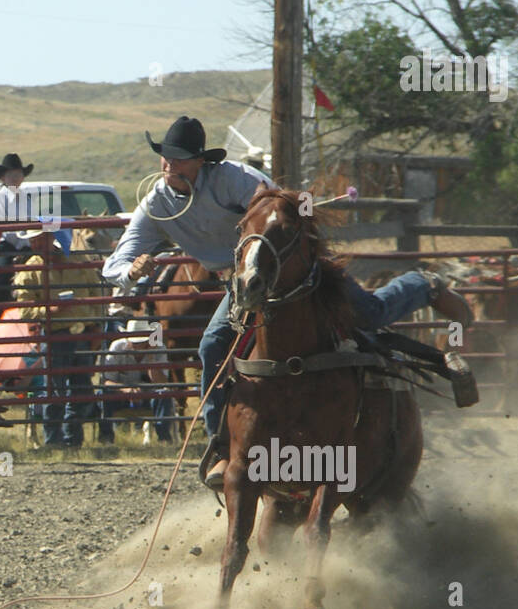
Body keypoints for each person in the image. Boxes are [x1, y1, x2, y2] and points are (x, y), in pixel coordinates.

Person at [101, 116, 476, 490]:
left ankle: (422, 283)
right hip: (241, 282)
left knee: (368, 313)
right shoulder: (155, 205)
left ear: (202, 160)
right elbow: (113, 264)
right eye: (165, 157)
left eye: (179, 157)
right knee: (212, 346)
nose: (170, 165)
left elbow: (281, 207)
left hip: (291, 267)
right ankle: (221, 448)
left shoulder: (232, 178)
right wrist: (131, 272)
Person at [13, 225, 104, 448]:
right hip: (55, 334)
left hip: (82, 332)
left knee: (80, 389)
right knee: (55, 390)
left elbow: (96, 294)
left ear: (50, 237)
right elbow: (24, 310)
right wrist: (49, 311)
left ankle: (71, 439)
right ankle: (54, 440)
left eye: (40, 238)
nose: (36, 244)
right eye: (34, 240)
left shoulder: (76, 261)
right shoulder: (31, 269)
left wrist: (96, 326)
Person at [0, 152, 38, 333]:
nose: (16, 177)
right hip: (4, 246)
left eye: (18, 174)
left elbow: (33, 223)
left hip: (26, 246)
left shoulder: (27, 198)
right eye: (12, 174)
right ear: (3, 177)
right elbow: (0, 228)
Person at [97, 320, 177, 444]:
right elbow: (106, 381)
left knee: (163, 394)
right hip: (121, 396)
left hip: (148, 398)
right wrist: (125, 390)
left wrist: (151, 357)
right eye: (134, 342)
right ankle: (106, 439)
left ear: (148, 340)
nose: (136, 346)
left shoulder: (159, 348)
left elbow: (162, 383)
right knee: (102, 393)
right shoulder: (117, 347)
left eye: (140, 342)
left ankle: (164, 439)